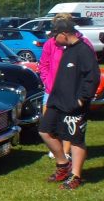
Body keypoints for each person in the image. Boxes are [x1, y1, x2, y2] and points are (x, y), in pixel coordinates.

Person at [38, 17, 100, 190]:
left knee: (76, 140)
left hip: (75, 104)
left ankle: (76, 176)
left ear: (64, 34)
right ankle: (63, 165)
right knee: (44, 131)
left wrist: (82, 98)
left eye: (55, 35)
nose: (53, 39)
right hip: (57, 100)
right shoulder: (66, 49)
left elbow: (93, 77)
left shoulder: (84, 50)